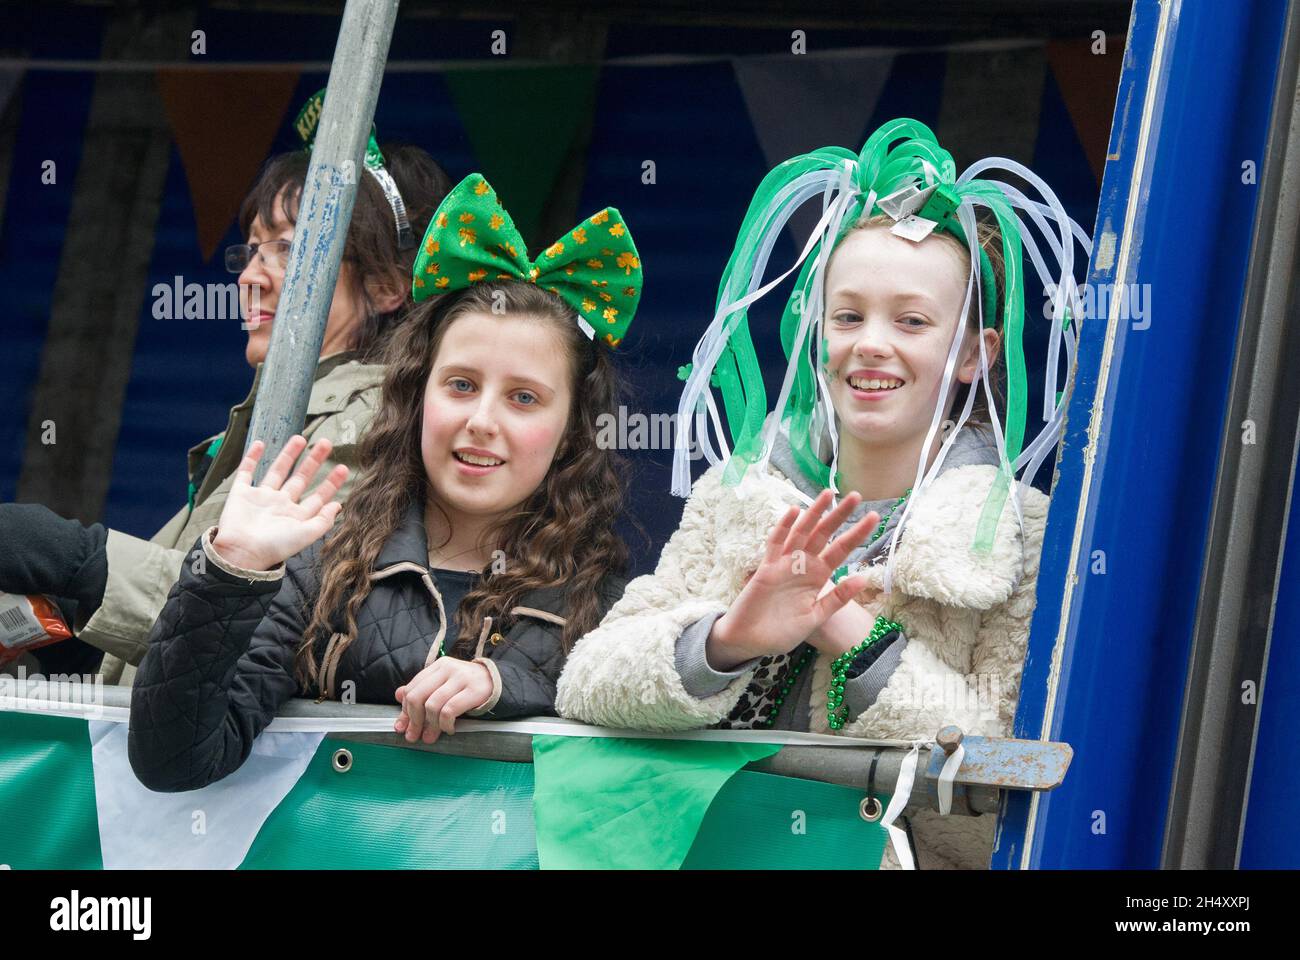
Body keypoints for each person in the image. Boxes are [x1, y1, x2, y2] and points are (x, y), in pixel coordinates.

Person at [556, 119, 1090, 870]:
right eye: (849, 316)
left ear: (974, 352)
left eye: (910, 320)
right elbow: (585, 681)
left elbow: (1005, 793)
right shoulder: (737, 494)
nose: (871, 341)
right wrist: (726, 639)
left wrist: (855, 642)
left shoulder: (1019, 534)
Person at [128, 173, 639, 791]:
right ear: (415, 395)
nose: (481, 421)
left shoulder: (618, 607)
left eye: (524, 398)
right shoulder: (317, 568)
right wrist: (225, 574)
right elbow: (175, 761)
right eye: (461, 385)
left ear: (571, 432)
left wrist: (504, 687)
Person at [0, 93, 451, 685]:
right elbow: (177, 610)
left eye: (288, 249)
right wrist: (64, 631)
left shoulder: (372, 420)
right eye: (251, 250)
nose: (248, 276)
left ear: (388, 285)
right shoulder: (268, 419)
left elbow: (255, 616)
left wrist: (60, 554)